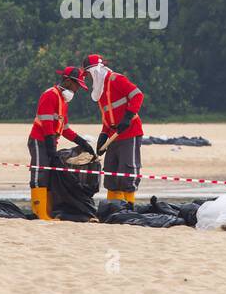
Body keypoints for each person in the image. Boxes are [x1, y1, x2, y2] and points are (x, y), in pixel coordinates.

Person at [28, 66, 95, 221]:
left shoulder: (63, 101)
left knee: (50, 176)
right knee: (40, 174)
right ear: (67, 81)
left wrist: (81, 142)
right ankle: (39, 213)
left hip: (50, 141)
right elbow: (46, 124)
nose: (77, 89)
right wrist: (51, 149)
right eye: (77, 84)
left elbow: (64, 129)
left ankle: (48, 212)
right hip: (39, 141)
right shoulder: (50, 95)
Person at [82, 53, 145, 205]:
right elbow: (108, 116)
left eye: (89, 74)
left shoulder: (117, 79)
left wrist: (128, 117)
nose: (89, 78)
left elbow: (138, 95)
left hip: (130, 133)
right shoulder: (100, 90)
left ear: (95, 71)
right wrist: (103, 135)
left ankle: (128, 210)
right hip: (113, 137)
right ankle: (113, 209)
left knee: (127, 175)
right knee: (111, 174)